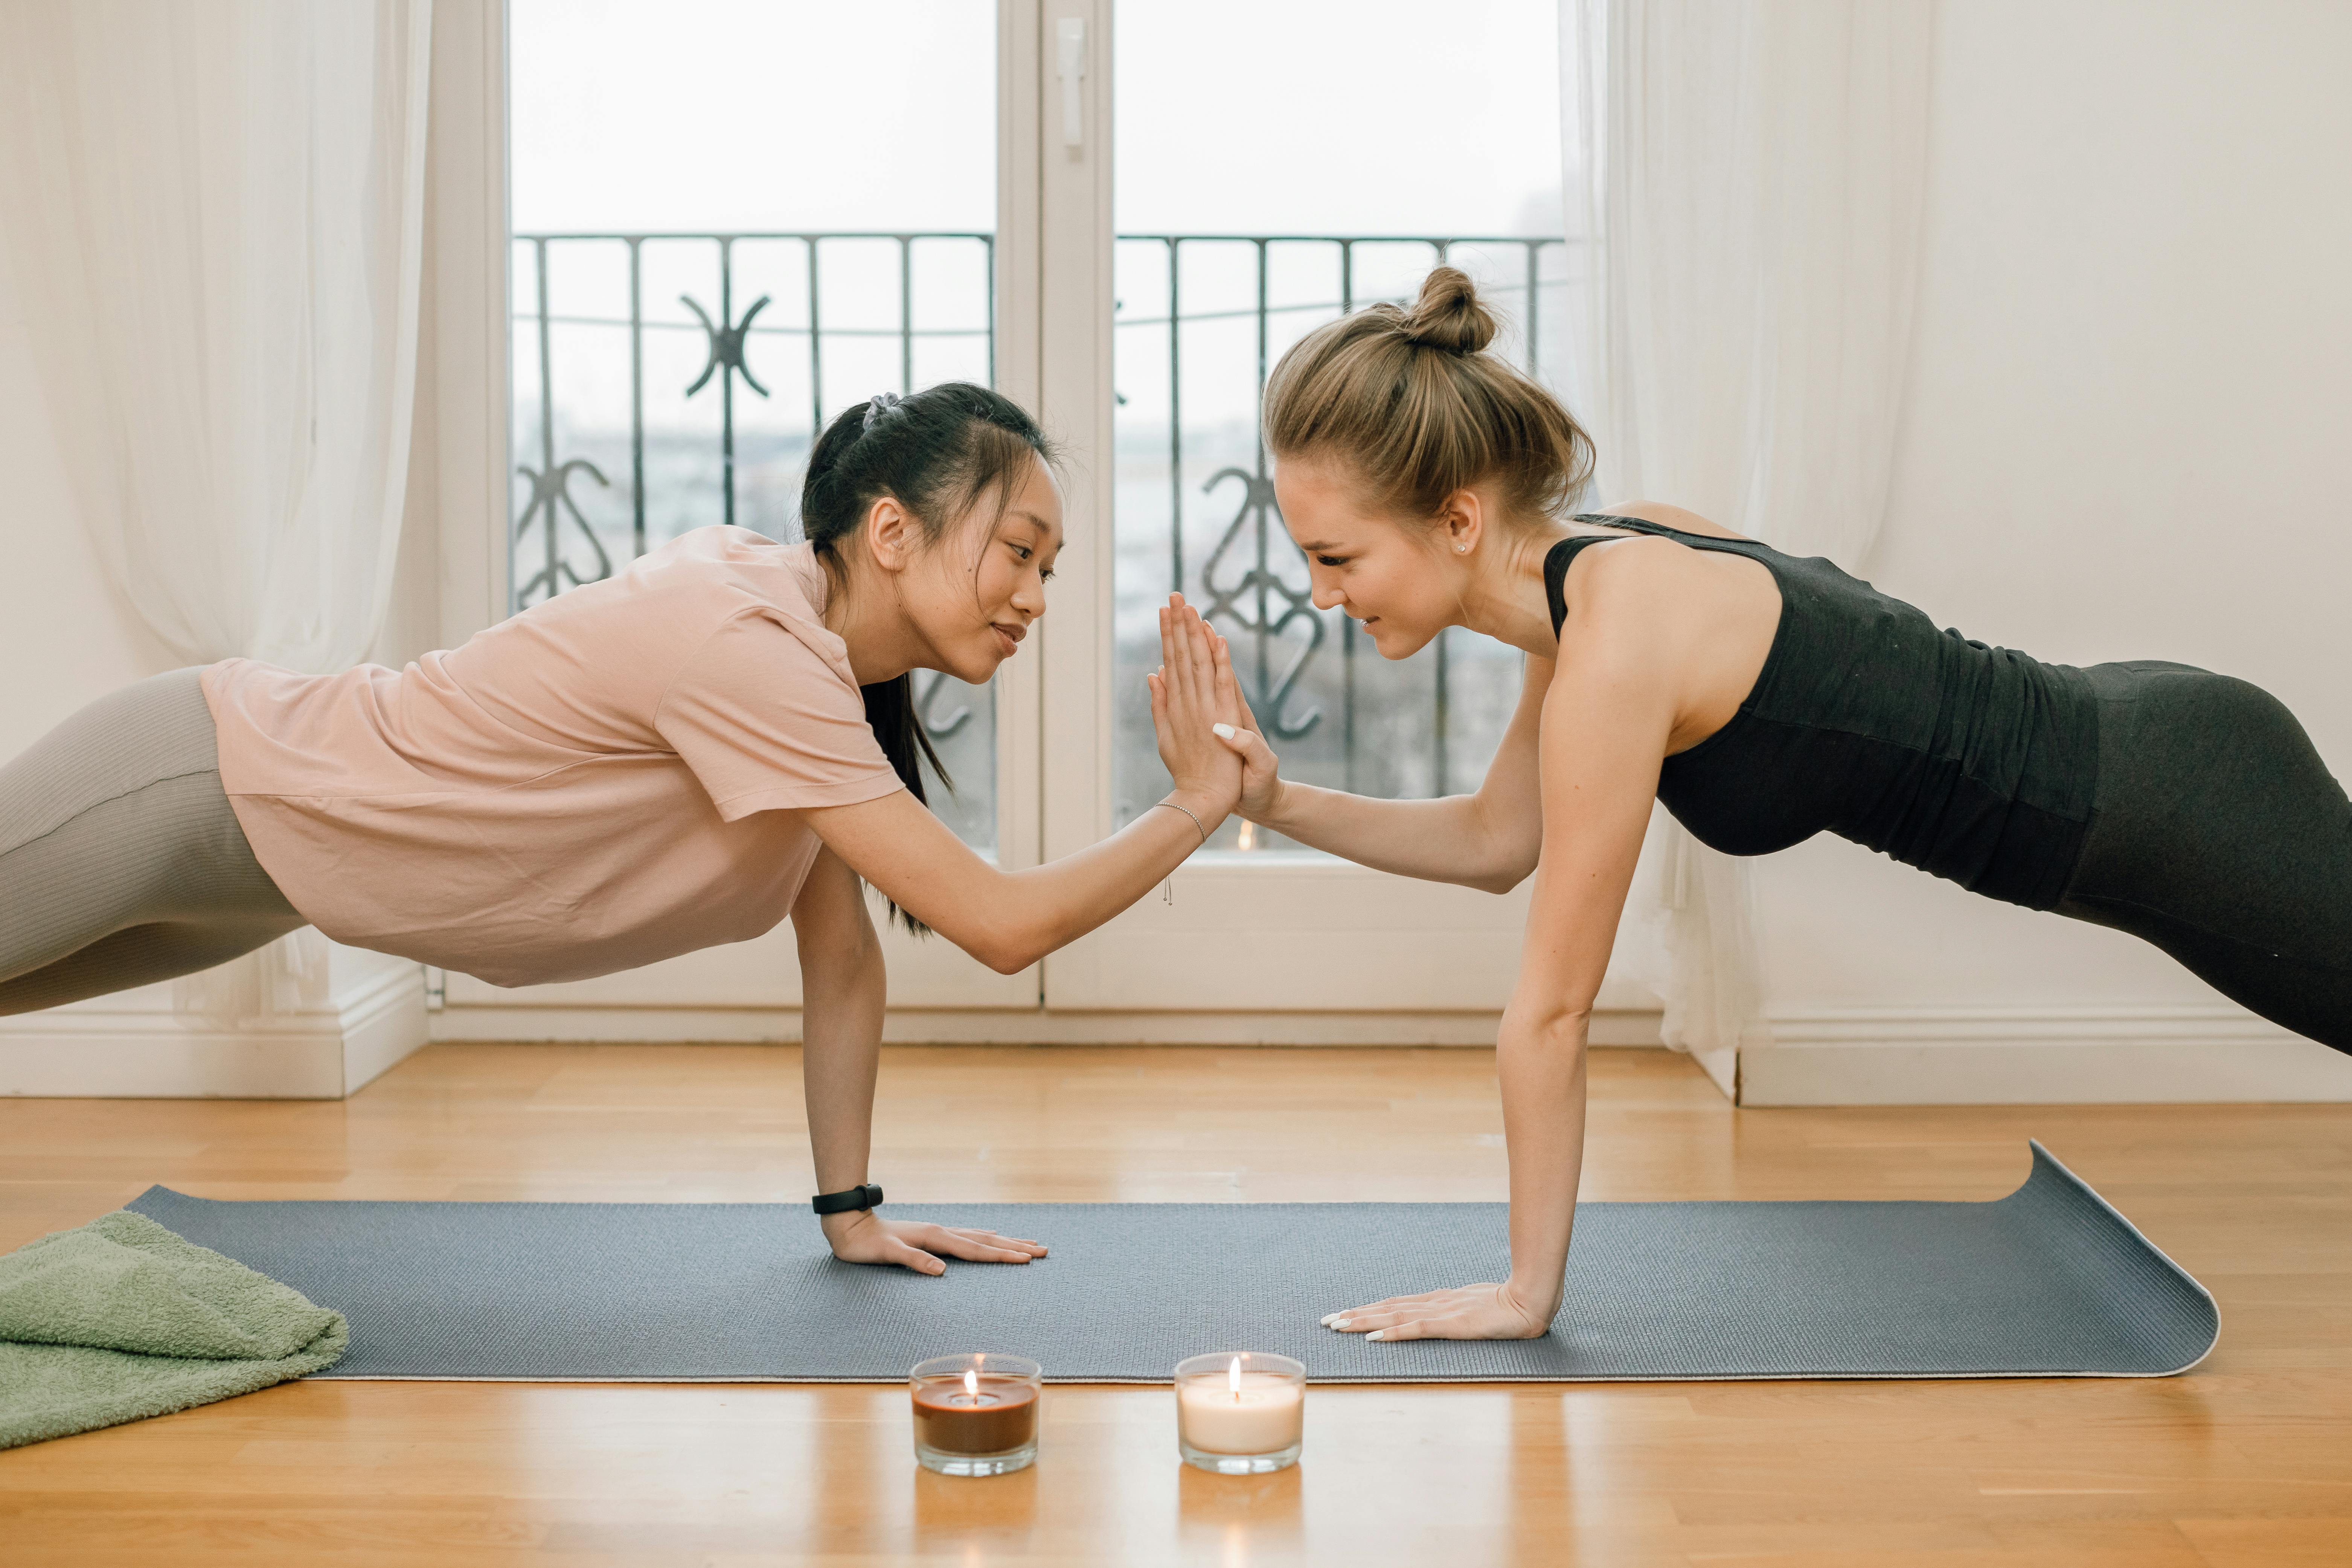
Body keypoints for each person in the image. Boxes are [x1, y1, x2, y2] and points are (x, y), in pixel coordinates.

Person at [1195, 267, 2352, 1344]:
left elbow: (1548, 1014)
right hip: (2147, 763)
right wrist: (1280, 800)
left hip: (2163, 802)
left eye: (1337, 557)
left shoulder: (1614, 641)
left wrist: (1524, 1294)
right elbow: (1502, 842)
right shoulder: (1605, 574)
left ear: (1456, 520)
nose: (1319, 593)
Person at [0, 381, 1246, 1275]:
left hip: (272, 869)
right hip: (195, 784)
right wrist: (1196, 802)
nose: (1036, 597)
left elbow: (844, 957)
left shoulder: (817, 684)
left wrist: (851, 1209)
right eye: (1018, 553)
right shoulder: (752, 647)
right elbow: (1000, 926)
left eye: (1054, 568)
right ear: (889, 530)